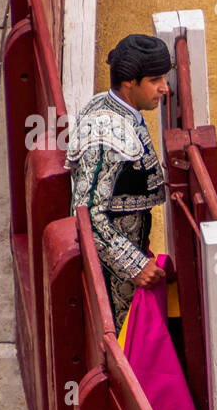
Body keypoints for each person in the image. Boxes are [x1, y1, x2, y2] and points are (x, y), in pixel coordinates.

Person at [66, 34, 172, 332]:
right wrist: (134, 265)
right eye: (155, 80)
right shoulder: (107, 133)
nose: (165, 88)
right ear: (129, 83)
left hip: (131, 247)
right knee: (122, 337)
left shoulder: (113, 108)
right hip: (115, 273)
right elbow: (87, 214)